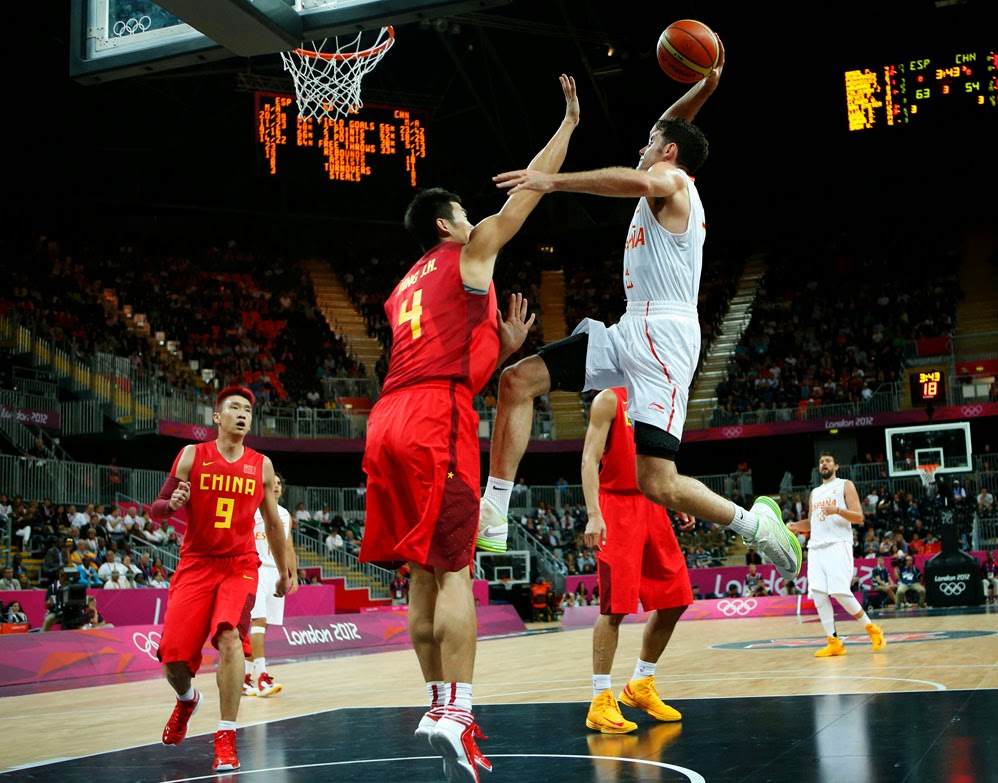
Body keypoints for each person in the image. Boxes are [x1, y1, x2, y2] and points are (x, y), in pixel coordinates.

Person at [476, 37, 802, 590]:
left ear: (669, 153)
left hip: (666, 337)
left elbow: (647, 170)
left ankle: (757, 525)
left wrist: (553, 181)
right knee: (516, 381)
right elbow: (670, 126)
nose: (645, 143)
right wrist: (705, 86)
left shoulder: (672, 182)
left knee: (658, 482)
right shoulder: (673, 165)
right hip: (632, 326)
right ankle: (495, 512)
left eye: (653, 141)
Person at [358, 75, 580, 783]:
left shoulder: (402, 289)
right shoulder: (468, 250)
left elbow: (443, 356)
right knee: (457, 569)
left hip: (387, 420)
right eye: (463, 213)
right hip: (433, 419)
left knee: (423, 575)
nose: (471, 218)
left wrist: (501, 348)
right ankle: (460, 711)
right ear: (447, 224)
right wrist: (569, 125)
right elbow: (529, 195)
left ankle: (435, 703)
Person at [150, 385, 294, 774]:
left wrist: (283, 571)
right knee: (173, 659)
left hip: (240, 564)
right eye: (234, 407)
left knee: (230, 636)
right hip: (196, 563)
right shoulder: (192, 456)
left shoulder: (261, 465)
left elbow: (273, 523)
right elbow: (157, 510)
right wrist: (171, 504)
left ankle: (226, 735)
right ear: (218, 417)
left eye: (247, 409)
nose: (242, 413)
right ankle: (186, 699)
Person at [580, 387, 693, 734]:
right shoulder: (609, 399)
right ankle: (600, 700)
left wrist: (677, 496)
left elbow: (661, 459)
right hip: (615, 506)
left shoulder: (658, 394)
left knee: (677, 598)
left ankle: (641, 683)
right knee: (613, 608)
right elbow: (588, 458)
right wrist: (593, 513)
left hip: (652, 503)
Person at [787, 452, 885, 657]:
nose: (824, 464)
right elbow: (812, 523)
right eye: (821, 461)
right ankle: (833, 641)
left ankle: (872, 629)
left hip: (838, 545)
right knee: (819, 595)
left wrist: (838, 510)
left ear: (836, 466)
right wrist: (796, 526)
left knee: (839, 592)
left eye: (828, 461)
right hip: (815, 548)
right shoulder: (814, 493)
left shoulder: (845, 485)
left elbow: (859, 517)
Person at [242, 471, 297, 698]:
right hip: (255, 570)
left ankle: (245, 679)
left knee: (262, 628)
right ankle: (262, 677)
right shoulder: (251, 511)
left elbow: (288, 548)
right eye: (271, 483)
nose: (275, 487)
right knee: (258, 622)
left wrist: (292, 575)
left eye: (278, 484)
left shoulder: (285, 516)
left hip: (275, 573)